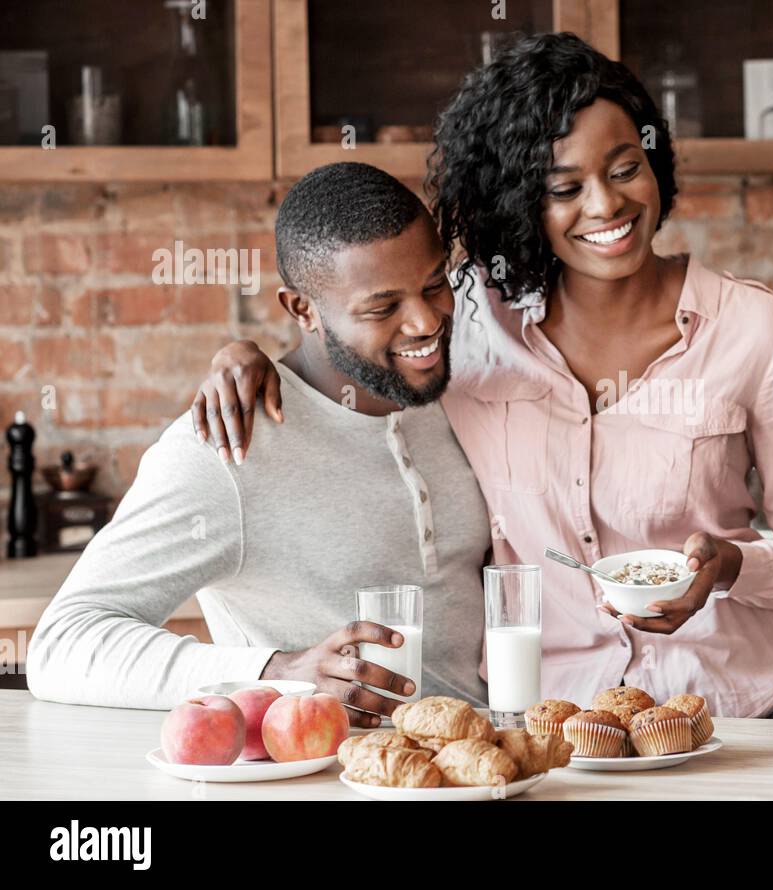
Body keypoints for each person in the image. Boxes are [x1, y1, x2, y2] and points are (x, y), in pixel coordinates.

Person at [192, 33, 773, 718]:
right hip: (545, 721)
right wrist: (245, 355)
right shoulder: (475, 320)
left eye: (625, 169)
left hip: (733, 710)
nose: (605, 207)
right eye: (564, 188)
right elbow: (360, 340)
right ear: (519, 204)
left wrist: (735, 566)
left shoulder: (751, 329)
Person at [28, 163, 491, 725]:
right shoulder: (230, 446)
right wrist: (277, 675)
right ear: (302, 310)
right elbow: (63, 644)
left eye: (434, 284)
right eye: (382, 307)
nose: (425, 322)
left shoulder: (461, 395)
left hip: (482, 772)